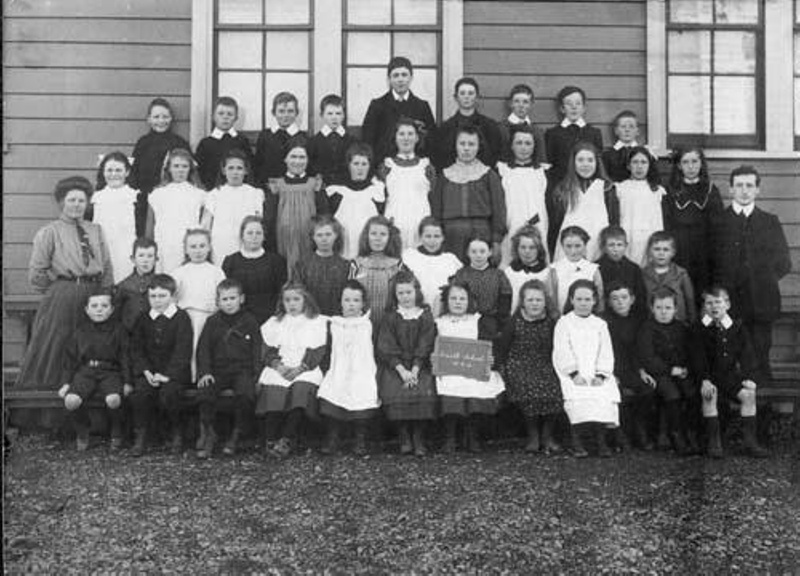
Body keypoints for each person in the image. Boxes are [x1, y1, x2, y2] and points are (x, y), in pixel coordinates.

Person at [17, 176, 113, 391]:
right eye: (72, 200)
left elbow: (106, 266)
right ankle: (51, 413)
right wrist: (58, 291)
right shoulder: (50, 232)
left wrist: (105, 293)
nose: (77, 205)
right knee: (59, 346)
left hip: (94, 295)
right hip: (63, 297)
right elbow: (37, 272)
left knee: (91, 346)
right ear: (62, 202)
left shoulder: (96, 230)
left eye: (81, 201)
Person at [712, 165, 791, 383]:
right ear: (730, 189)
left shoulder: (769, 222)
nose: (744, 191)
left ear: (757, 190)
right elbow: (709, 262)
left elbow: (784, 263)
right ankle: (729, 413)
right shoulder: (718, 222)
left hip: (761, 304)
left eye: (749, 185)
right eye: (739, 185)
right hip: (727, 305)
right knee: (725, 357)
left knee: (759, 357)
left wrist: (761, 281)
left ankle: (764, 412)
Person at [690, 286, 768, 459]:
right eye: (709, 303)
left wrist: (750, 378)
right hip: (709, 377)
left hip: (730, 376)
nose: (714, 307)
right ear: (704, 307)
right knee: (709, 395)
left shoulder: (736, 327)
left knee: (748, 395)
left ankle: (750, 442)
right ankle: (714, 442)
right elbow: (698, 358)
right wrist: (704, 379)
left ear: (727, 304)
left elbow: (747, 355)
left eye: (718, 302)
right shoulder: (699, 328)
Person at [257, 282, 327, 458]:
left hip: (305, 367)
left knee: (300, 391)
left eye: (296, 299)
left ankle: (287, 438)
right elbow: (267, 350)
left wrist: (300, 369)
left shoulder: (316, 321)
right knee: (274, 391)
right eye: (287, 300)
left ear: (305, 300)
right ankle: (270, 439)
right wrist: (278, 366)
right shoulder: (274, 323)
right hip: (280, 366)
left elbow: (318, 350)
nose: (292, 304)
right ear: (282, 302)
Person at [195, 279, 263, 458]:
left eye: (233, 298)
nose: (229, 303)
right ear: (218, 302)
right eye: (224, 299)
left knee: (245, 395)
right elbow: (203, 349)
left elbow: (257, 349)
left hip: (242, 370)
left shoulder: (249, 321)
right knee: (205, 392)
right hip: (218, 370)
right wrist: (205, 372)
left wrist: (256, 375)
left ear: (241, 298)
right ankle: (209, 434)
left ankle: (236, 435)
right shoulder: (212, 322)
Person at [435, 281, 505, 453]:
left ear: (469, 301)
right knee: (450, 388)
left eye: (462, 298)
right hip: (449, 369)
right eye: (453, 298)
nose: (458, 302)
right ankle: (450, 436)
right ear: (446, 301)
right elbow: (434, 346)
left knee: (476, 389)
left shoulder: (477, 321)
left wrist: (489, 360)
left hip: (473, 368)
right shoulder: (440, 322)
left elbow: (489, 345)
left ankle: (471, 435)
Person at [128, 273, 193, 456]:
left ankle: (176, 432)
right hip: (150, 372)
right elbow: (137, 348)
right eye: (153, 296)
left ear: (172, 296)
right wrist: (146, 371)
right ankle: (141, 435)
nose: (157, 301)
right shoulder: (143, 318)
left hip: (174, 373)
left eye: (162, 296)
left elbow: (183, 350)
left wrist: (168, 375)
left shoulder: (181, 318)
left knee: (169, 393)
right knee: (140, 393)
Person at [552, 279, 619, 458]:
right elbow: (562, 350)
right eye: (579, 299)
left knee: (602, 394)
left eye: (587, 299)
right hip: (571, 371)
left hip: (596, 370)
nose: (583, 303)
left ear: (595, 301)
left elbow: (606, 350)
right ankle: (577, 441)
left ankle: (600, 440)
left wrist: (601, 374)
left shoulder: (600, 324)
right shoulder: (564, 323)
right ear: (572, 300)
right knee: (576, 396)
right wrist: (573, 373)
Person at [58, 288, 129, 451]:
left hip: (110, 372)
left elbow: (125, 357)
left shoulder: (119, 330)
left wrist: (128, 381)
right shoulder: (80, 331)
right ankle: (83, 430)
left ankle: (116, 430)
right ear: (87, 309)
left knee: (113, 399)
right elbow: (70, 360)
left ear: (111, 310)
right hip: (86, 372)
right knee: (71, 401)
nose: (99, 309)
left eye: (104, 306)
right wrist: (66, 383)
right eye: (94, 306)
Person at [497, 279, 562, 454]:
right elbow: (503, 348)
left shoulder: (552, 321)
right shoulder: (514, 321)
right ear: (523, 302)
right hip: (518, 363)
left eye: (538, 300)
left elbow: (559, 347)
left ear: (545, 302)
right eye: (530, 300)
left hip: (545, 362)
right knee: (529, 388)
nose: (534, 304)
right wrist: (501, 369)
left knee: (554, 389)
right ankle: (533, 435)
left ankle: (547, 435)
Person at [376, 271, 437, 456]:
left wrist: (416, 368)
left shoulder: (425, 315)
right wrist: (402, 370)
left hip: (421, 364)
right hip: (396, 365)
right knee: (395, 388)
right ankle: (403, 436)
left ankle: (418, 437)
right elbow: (386, 345)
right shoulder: (391, 317)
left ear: (416, 292)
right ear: (395, 295)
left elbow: (426, 343)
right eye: (400, 293)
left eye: (408, 292)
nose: (405, 297)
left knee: (423, 387)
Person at [317, 280, 381, 455]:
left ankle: (360, 439)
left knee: (363, 392)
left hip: (362, 369)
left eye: (356, 300)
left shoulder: (368, 324)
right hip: (339, 368)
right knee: (333, 390)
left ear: (363, 303)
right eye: (347, 300)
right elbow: (328, 350)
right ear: (340, 302)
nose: (351, 305)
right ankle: (333, 436)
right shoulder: (334, 324)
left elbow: (375, 348)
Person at [430, 126, 507, 262]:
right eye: (462, 144)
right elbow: (436, 211)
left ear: (478, 147)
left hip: (481, 234)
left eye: (471, 144)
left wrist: (496, 241)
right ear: (455, 146)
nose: (466, 148)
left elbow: (499, 209)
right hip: (451, 236)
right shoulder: (444, 176)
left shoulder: (488, 175)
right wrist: (437, 238)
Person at [637, 288, 697, 455]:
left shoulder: (681, 328)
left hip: (681, 371)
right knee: (672, 395)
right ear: (652, 308)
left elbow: (689, 352)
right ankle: (674, 434)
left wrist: (686, 369)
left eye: (668, 308)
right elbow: (648, 357)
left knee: (691, 392)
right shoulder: (647, 328)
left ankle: (691, 433)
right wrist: (670, 370)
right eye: (659, 308)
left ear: (676, 309)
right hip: (659, 373)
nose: (663, 312)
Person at [663, 146, 723, 300]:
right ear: (679, 165)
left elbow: (717, 226)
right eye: (686, 162)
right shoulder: (669, 190)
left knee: (703, 287)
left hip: (704, 248)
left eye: (695, 161)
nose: (691, 166)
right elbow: (666, 222)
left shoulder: (710, 190)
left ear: (701, 163)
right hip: (679, 247)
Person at [603, 282, 653, 452]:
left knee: (647, 389)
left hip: (632, 367)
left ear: (632, 299)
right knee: (618, 393)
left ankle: (640, 430)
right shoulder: (604, 321)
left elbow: (640, 348)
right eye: (615, 299)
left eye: (624, 298)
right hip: (611, 369)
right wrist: (610, 374)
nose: (620, 302)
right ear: (609, 302)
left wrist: (641, 370)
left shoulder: (639, 319)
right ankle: (620, 434)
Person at [130, 97, 191, 236]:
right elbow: (133, 173)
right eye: (156, 117)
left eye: (165, 117)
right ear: (149, 119)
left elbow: (189, 170)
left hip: (173, 199)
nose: (161, 121)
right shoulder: (142, 143)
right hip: (146, 200)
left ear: (171, 119)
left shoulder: (179, 142)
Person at [171, 228, 226, 380]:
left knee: (206, 350)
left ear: (209, 247)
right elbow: (172, 298)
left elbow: (222, 296)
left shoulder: (216, 272)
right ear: (186, 249)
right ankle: (188, 380)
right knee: (187, 349)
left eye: (202, 246)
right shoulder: (179, 272)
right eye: (193, 247)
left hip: (210, 318)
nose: (198, 250)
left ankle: (205, 377)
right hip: (186, 319)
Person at [549, 142, 618, 261]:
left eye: (590, 160)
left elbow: (613, 220)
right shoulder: (564, 189)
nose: (585, 164)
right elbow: (556, 223)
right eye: (580, 160)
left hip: (598, 243)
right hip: (570, 245)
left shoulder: (607, 188)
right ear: (573, 163)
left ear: (597, 163)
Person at [361, 56, 437, 164]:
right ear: (389, 79)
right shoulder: (377, 106)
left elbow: (431, 141)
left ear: (411, 78)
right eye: (395, 75)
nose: (400, 79)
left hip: (415, 167)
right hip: (384, 167)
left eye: (404, 75)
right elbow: (367, 141)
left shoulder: (422, 106)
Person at [145, 147, 206, 274]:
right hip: (165, 243)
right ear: (169, 168)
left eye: (184, 166)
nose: (180, 170)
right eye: (176, 166)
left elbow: (204, 223)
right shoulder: (158, 193)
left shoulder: (199, 194)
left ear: (190, 169)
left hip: (189, 244)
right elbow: (150, 225)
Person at [378, 117, 435, 251]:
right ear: (395, 137)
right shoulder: (386, 166)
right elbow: (380, 198)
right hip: (395, 221)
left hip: (420, 222)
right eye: (401, 134)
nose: (406, 138)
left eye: (410, 134)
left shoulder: (426, 166)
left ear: (417, 138)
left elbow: (433, 196)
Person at [497, 125, 549, 267]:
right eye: (519, 143)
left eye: (528, 143)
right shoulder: (503, 170)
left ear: (534, 147)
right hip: (511, 225)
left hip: (538, 225)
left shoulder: (542, 172)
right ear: (512, 146)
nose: (523, 147)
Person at [201, 149, 265, 265]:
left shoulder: (255, 194)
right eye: (231, 168)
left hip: (247, 245)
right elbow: (205, 226)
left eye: (239, 168)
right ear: (223, 170)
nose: (235, 172)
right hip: (221, 245)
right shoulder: (214, 194)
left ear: (246, 171)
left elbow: (258, 223)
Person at [222, 216, 287, 325]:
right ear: (242, 236)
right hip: (239, 321)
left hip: (271, 319)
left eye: (258, 233)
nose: (254, 237)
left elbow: (282, 293)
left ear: (264, 236)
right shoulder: (231, 261)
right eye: (250, 233)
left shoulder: (276, 261)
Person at [268, 139, 320, 274]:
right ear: (285, 159)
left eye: (302, 157)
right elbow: (270, 218)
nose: (297, 161)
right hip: (283, 241)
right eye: (293, 156)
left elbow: (323, 217)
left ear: (308, 160)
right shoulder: (276, 185)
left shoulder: (315, 184)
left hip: (309, 240)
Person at [326, 142, 385, 259]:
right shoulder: (336, 191)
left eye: (364, 164)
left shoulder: (376, 190)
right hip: (344, 249)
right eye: (356, 163)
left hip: (368, 252)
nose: (360, 168)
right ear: (349, 165)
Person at [544, 85, 604, 199]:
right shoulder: (553, 134)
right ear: (562, 108)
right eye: (569, 104)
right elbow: (550, 166)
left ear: (584, 107)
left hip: (587, 189)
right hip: (561, 189)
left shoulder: (594, 133)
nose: (574, 107)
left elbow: (598, 165)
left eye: (578, 103)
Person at [433, 77, 503, 170]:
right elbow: (440, 158)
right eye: (462, 93)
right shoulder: (445, 128)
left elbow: (495, 155)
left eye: (470, 93)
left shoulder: (489, 126)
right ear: (456, 97)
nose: (466, 97)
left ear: (477, 97)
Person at [452, 236, 513, 341]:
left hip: (491, 323)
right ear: (468, 253)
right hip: (466, 322)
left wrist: (501, 326)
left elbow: (505, 303)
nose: (478, 255)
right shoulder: (461, 274)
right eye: (474, 251)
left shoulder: (498, 275)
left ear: (490, 252)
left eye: (482, 251)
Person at [349, 215, 404, 328]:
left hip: (389, 327)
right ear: (366, 236)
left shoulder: (398, 264)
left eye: (383, 234)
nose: (378, 238)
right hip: (361, 325)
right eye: (373, 234)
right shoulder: (356, 264)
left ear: (390, 237)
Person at [401, 216, 463, 317]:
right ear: (420, 237)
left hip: (441, 313)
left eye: (437, 236)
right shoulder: (409, 256)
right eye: (428, 236)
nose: (432, 241)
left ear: (443, 238)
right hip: (413, 313)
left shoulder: (450, 260)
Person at [92, 152, 138, 283]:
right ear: (103, 172)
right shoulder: (95, 198)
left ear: (127, 172)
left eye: (118, 170)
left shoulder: (135, 197)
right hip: (103, 250)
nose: (114, 174)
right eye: (109, 170)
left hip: (126, 251)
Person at [292, 215, 351, 317]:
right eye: (319, 235)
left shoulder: (345, 266)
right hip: (310, 319)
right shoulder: (302, 265)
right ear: (313, 237)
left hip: (337, 320)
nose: (324, 239)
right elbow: (297, 295)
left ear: (336, 235)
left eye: (328, 234)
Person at [616, 147, 666, 266]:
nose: (639, 166)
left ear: (649, 165)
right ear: (628, 166)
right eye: (635, 162)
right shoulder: (620, 188)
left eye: (643, 162)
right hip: (628, 234)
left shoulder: (657, 191)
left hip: (649, 236)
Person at [195, 96, 254, 190]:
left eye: (230, 114)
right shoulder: (205, 143)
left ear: (236, 118)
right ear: (213, 116)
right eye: (221, 113)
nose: (225, 117)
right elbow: (199, 171)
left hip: (239, 190)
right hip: (213, 191)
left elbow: (249, 166)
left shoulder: (242, 141)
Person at [254, 91, 307, 186]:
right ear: (274, 112)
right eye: (281, 111)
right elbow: (258, 164)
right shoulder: (265, 135)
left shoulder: (304, 138)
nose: (286, 115)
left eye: (290, 111)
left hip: (295, 187)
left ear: (296, 113)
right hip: (269, 186)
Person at [641, 231, 696, 323]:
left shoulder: (681, 273)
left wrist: (692, 322)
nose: (661, 253)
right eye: (657, 249)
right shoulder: (643, 274)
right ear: (649, 251)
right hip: (651, 323)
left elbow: (690, 300)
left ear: (673, 252)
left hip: (678, 322)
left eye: (666, 250)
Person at [595, 226, 647, 319]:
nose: (616, 249)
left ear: (626, 246)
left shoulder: (634, 269)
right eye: (611, 245)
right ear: (604, 247)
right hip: (605, 316)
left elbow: (640, 296)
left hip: (629, 316)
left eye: (619, 245)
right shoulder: (596, 268)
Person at [504, 225, 556, 315]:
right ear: (517, 249)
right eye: (523, 247)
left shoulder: (546, 273)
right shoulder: (509, 272)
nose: (527, 251)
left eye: (532, 247)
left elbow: (550, 301)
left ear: (539, 249)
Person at [551, 226, 604, 315]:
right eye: (568, 246)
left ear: (585, 245)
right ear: (562, 246)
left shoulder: (592, 269)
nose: (573, 251)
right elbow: (552, 299)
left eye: (578, 246)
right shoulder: (555, 269)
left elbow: (600, 299)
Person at [308, 94, 355, 187]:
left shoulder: (352, 141)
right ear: (322, 115)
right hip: (322, 188)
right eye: (329, 113)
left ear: (343, 115)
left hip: (346, 187)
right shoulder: (313, 142)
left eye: (338, 113)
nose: (334, 117)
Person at [497, 84, 548, 167]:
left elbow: (541, 158)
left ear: (531, 104)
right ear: (510, 103)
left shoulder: (537, 131)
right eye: (517, 101)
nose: (521, 105)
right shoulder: (500, 129)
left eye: (525, 102)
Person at [114, 237, 158, 333]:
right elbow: (117, 317)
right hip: (130, 336)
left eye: (150, 256)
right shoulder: (123, 286)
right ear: (133, 259)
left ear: (156, 259)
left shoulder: (161, 284)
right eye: (141, 255)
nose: (145, 260)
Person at [601, 110, 643, 183]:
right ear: (616, 131)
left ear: (638, 131)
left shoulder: (644, 154)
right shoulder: (607, 155)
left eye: (631, 127)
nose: (627, 130)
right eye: (623, 126)